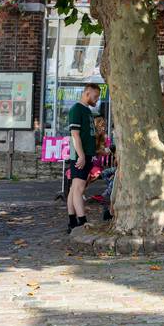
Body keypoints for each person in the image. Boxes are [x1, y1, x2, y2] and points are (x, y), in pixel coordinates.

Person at [66, 83, 101, 233]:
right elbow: (75, 135)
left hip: (86, 154)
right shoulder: (76, 109)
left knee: (74, 188)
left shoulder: (87, 110)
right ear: (87, 93)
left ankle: (72, 222)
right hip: (80, 155)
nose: (97, 99)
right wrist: (81, 155)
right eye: (95, 96)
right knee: (78, 189)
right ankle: (82, 222)